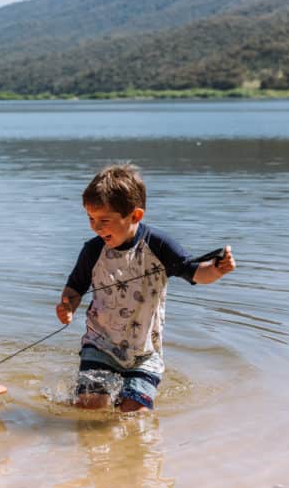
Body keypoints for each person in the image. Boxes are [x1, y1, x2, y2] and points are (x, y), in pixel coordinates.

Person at [55, 164, 236, 412]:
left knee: (135, 414)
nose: (96, 227)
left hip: (144, 353)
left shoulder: (158, 246)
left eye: (104, 220)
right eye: (91, 219)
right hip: (100, 344)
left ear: (135, 216)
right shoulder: (93, 250)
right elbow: (75, 287)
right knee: (91, 407)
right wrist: (68, 305)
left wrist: (217, 269)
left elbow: (195, 272)